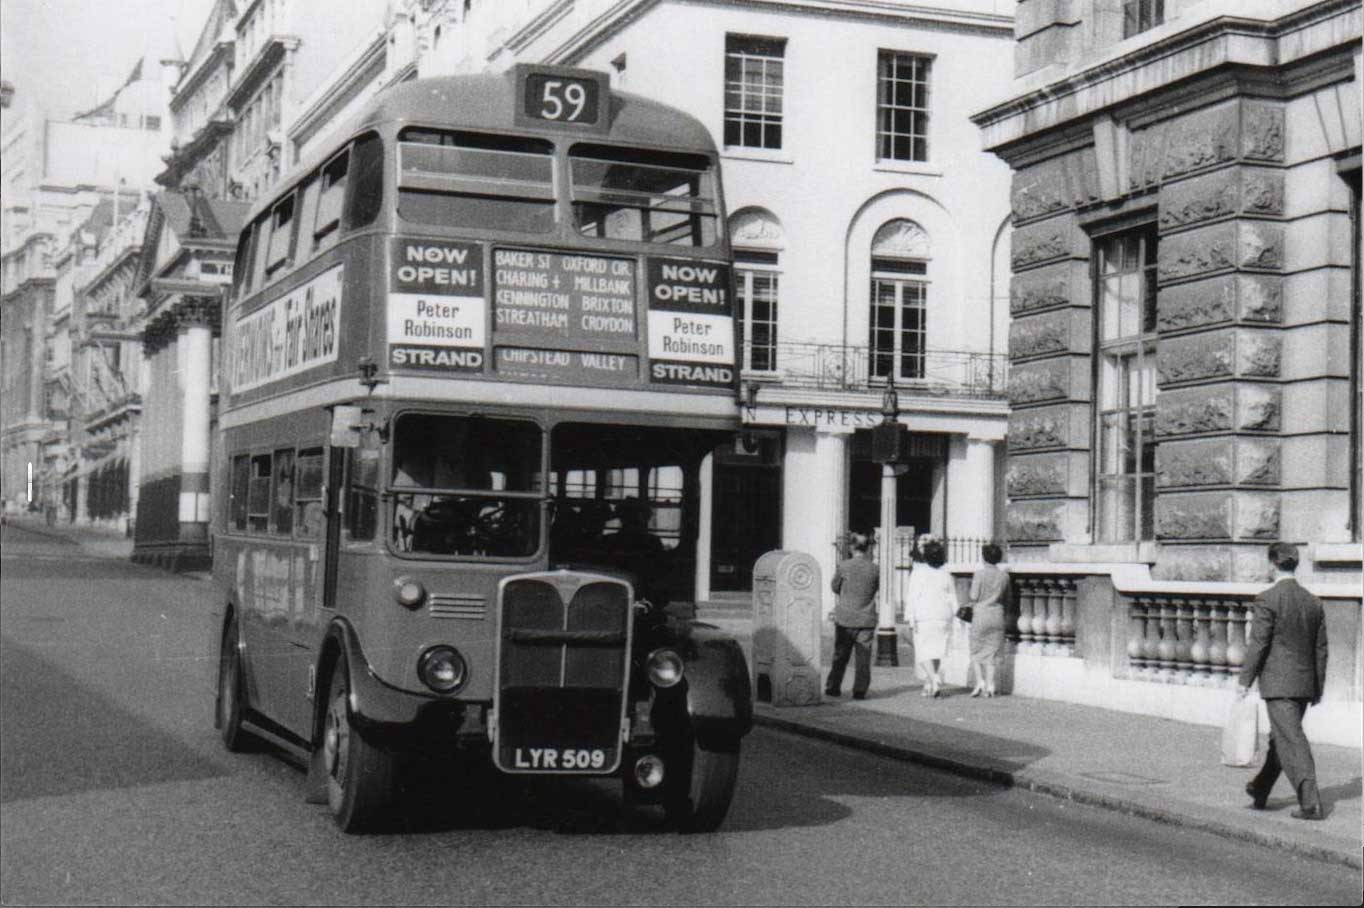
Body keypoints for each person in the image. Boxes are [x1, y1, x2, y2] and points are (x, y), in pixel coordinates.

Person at [1238, 542, 1329, 820]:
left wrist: (1244, 681)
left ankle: (1311, 802)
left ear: (1272, 564)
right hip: (1304, 684)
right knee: (1282, 739)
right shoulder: (1313, 601)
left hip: (1279, 684)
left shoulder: (1267, 598)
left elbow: (1259, 644)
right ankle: (1260, 788)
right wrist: (1317, 688)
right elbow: (1321, 649)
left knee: (1291, 740)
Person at [825, 532, 879, 700]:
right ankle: (860, 689)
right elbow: (876, 588)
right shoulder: (875, 568)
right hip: (866, 618)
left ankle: (834, 686)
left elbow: (834, 587)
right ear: (867, 548)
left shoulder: (844, 566)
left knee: (840, 654)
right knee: (863, 657)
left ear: (852, 547)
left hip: (845, 618)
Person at [904, 538, 956, 698]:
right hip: (943, 616)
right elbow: (952, 598)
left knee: (923, 651)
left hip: (924, 615)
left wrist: (910, 616)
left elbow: (912, 596)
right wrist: (955, 614)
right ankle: (929, 683)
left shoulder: (918, 573)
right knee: (937, 651)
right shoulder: (946, 574)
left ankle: (933, 679)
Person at [967, 542, 1009, 698]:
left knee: (976, 650)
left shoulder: (979, 574)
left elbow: (973, 596)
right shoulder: (1005, 576)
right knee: (992, 651)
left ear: (984, 557)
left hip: (981, 614)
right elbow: (1007, 598)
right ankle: (991, 685)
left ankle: (980, 682)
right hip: (997, 615)